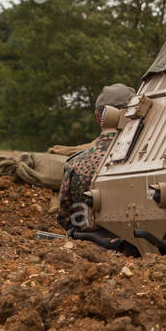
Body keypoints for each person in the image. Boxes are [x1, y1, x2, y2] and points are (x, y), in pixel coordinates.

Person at [57, 83, 135, 230]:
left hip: (89, 247)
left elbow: (65, 218)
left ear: (98, 118)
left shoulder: (75, 163)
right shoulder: (145, 159)